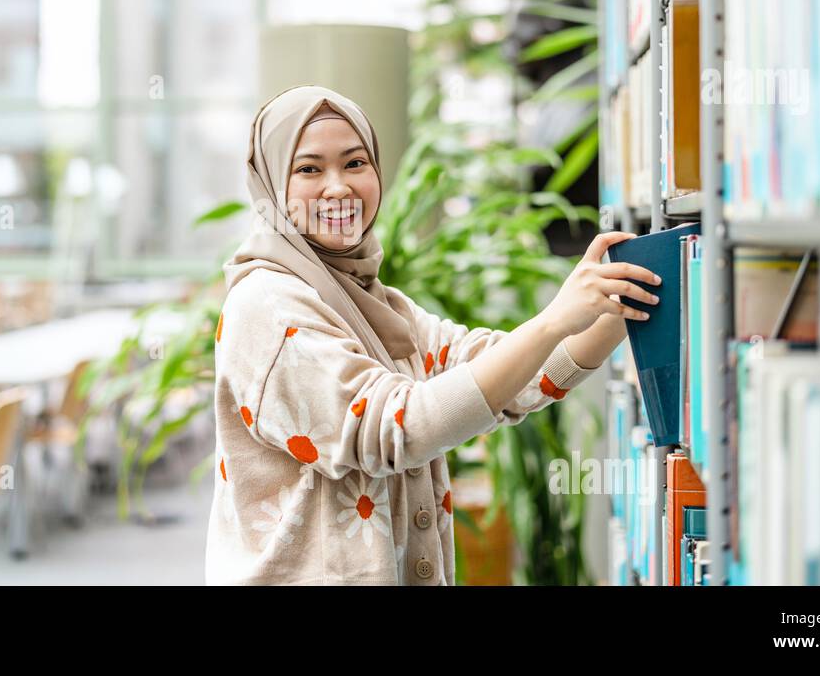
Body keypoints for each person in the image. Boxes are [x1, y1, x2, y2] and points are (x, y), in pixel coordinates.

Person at [204, 85, 662, 585]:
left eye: (355, 163)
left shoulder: (377, 302)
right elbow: (395, 430)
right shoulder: (266, 305)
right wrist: (553, 319)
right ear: (271, 186)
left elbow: (508, 375)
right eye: (309, 169)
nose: (338, 187)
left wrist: (622, 304)